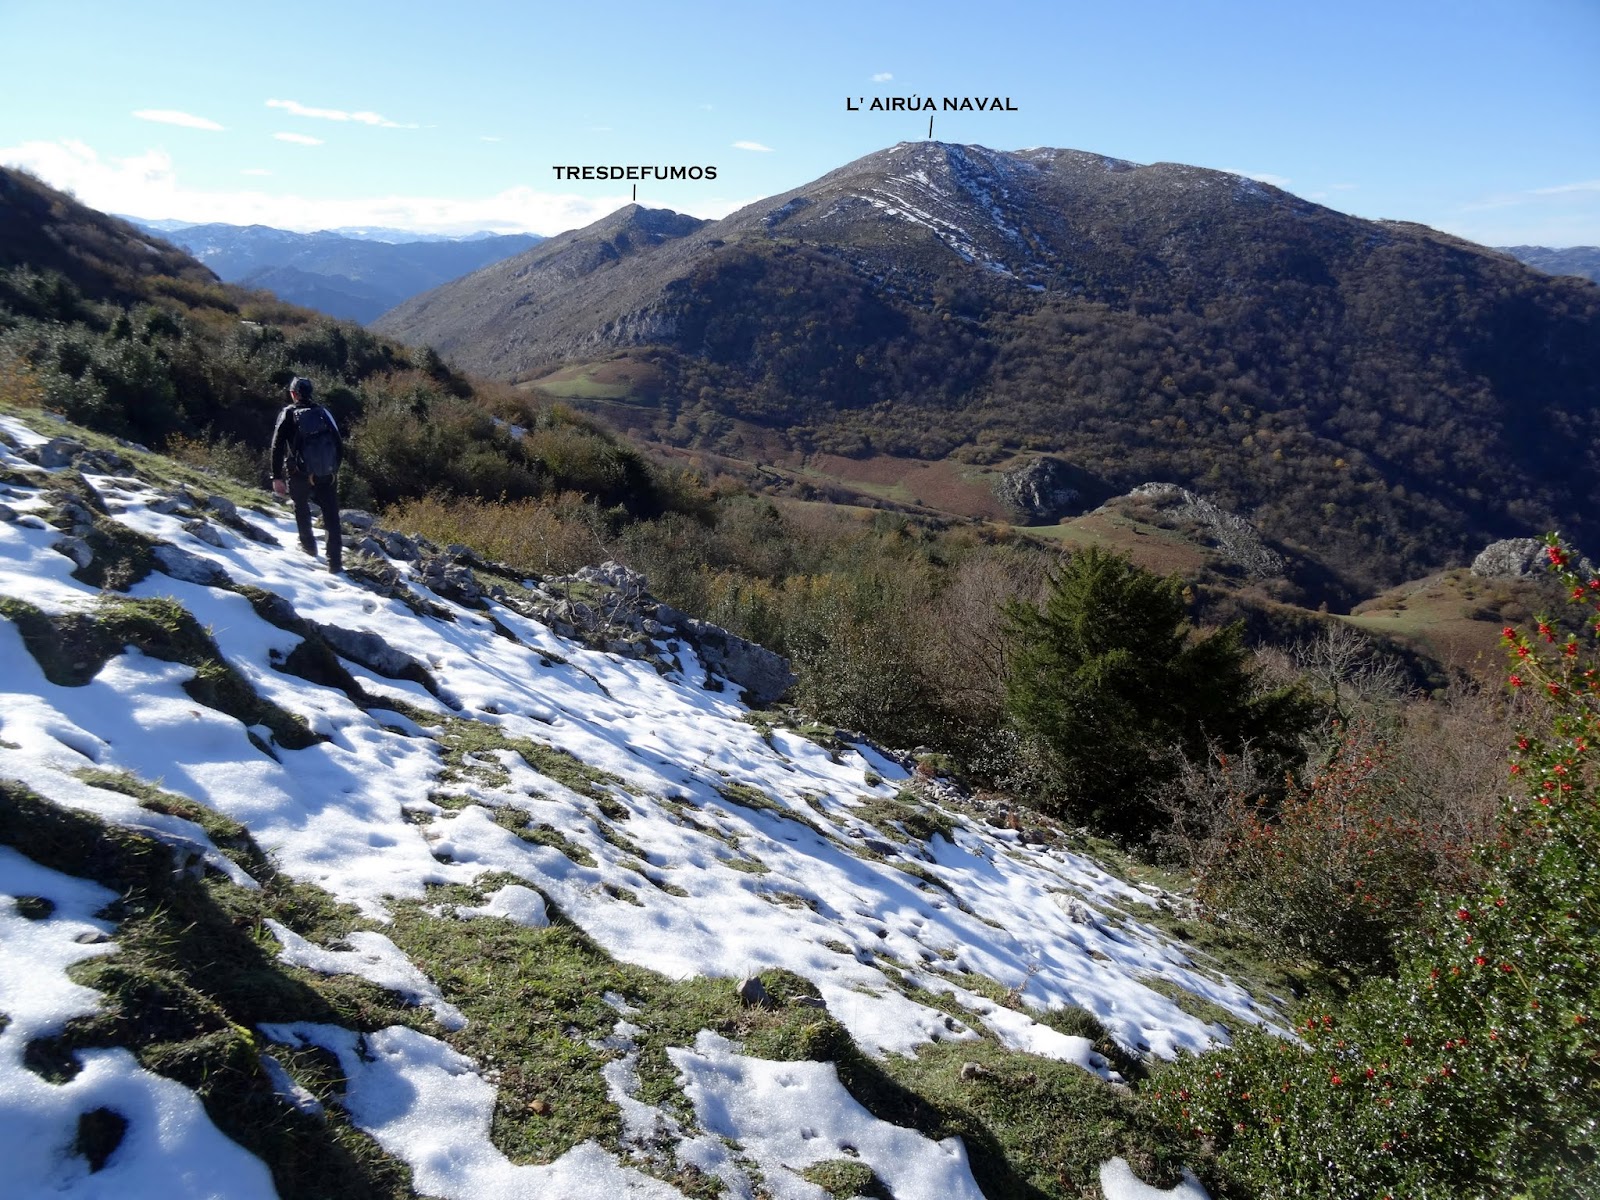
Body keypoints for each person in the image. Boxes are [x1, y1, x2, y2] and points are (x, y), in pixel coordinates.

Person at [269, 376, 344, 573]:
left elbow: (277, 446)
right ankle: (335, 563)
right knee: (331, 517)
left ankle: (308, 547)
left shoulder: (288, 414)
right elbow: (338, 443)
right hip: (326, 474)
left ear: (293, 394)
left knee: (301, 509)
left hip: (299, 473)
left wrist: (276, 476)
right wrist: (333, 469)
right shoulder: (323, 412)